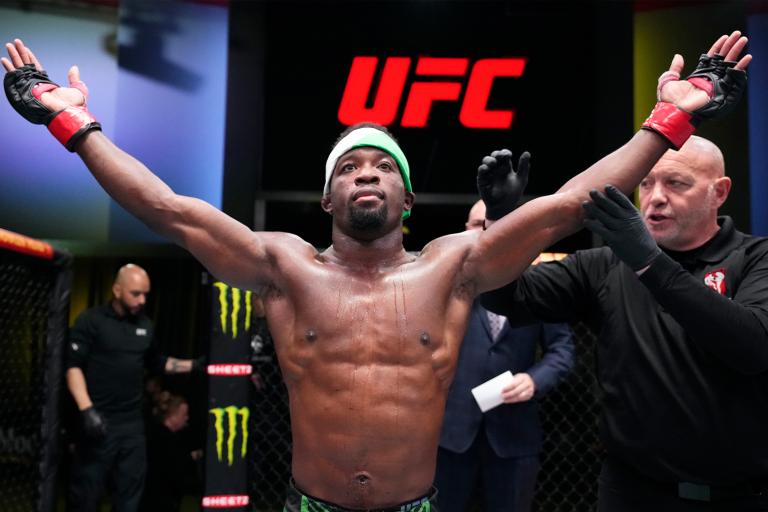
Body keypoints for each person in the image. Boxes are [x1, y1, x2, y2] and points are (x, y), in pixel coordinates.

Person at [1, 33, 750, 511]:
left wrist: (669, 122)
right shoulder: (281, 266)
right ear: (327, 195)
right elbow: (167, 208)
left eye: (382, 167)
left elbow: (562, 209)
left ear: (407, 196)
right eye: (350, 168)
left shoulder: (454, 268)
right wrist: (73, 123)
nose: (367, 176)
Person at [479, 135, 768, 511]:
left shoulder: (756, 257)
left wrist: (649, 261)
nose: (656, 196)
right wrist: (503, 224)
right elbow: (503, 298)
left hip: (739, 497)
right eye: (645, 183)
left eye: (676, 183)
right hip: (631, 494)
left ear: (720, 192)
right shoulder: (605, 265)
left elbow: (753, 347)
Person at [434, 198, 575, 512]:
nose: (485, 231)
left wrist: (534, 379)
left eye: (494, 223)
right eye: (476, 224)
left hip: (515, 436)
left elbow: (562, 351)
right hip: (451, 433)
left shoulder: (541, 284)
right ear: (466, 230)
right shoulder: (445, 286)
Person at [63, 263, 204, 512]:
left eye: (146, 294)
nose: (142, 300)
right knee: (85, 497)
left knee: (129, 498)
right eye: (135, 293)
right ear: (117, 290)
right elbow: (72, 367)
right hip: (97, 422)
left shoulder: (145, 327)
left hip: (131, 427)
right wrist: (87, 410)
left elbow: (158, 363)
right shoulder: (91, 321)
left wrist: (195, 365)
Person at [142, 391, 203, 511]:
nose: (187, 418)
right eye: (184, 414)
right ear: (173, 415)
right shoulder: (165, 440)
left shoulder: (158, 435)